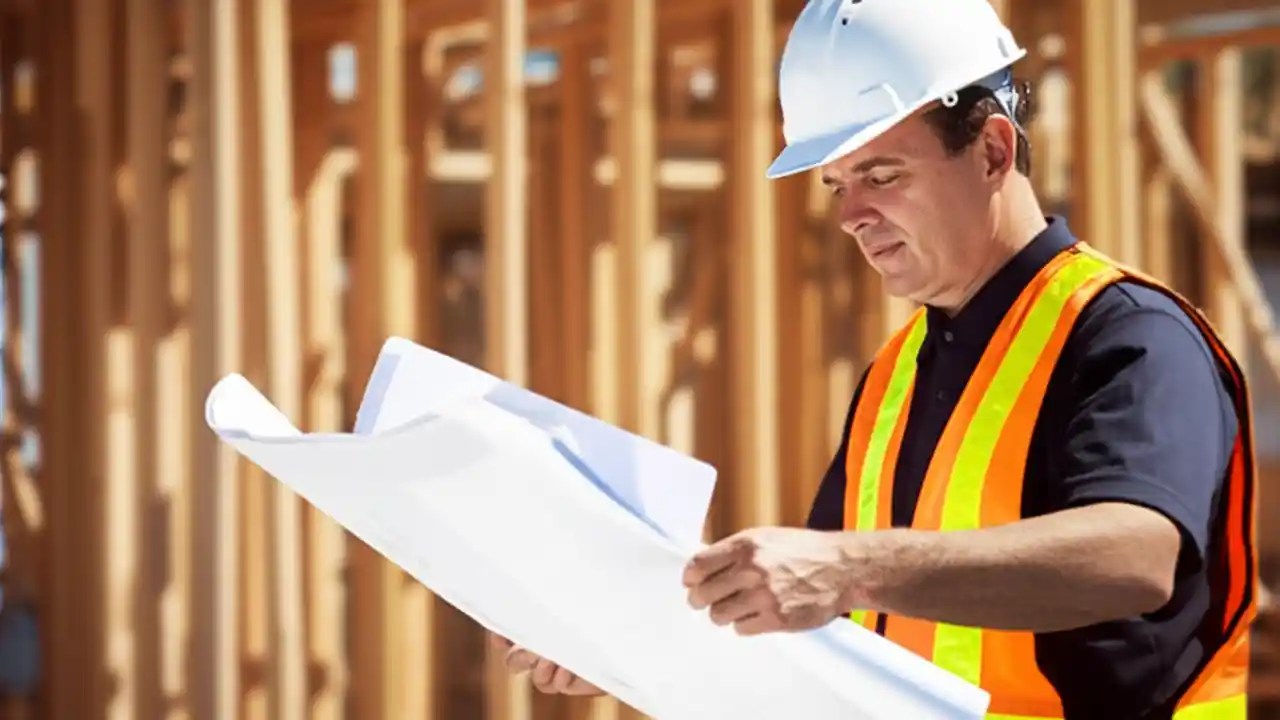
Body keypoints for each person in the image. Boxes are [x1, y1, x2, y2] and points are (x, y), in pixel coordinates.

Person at [496, 0, 1258, 717]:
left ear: (993, 149)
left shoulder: (1128, 336)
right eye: (836, 184)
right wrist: (626, 640)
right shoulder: (900, 372)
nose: (852, 215)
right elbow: (830, 622)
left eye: (882, 175)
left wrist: (846, 567)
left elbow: (1135, 556)